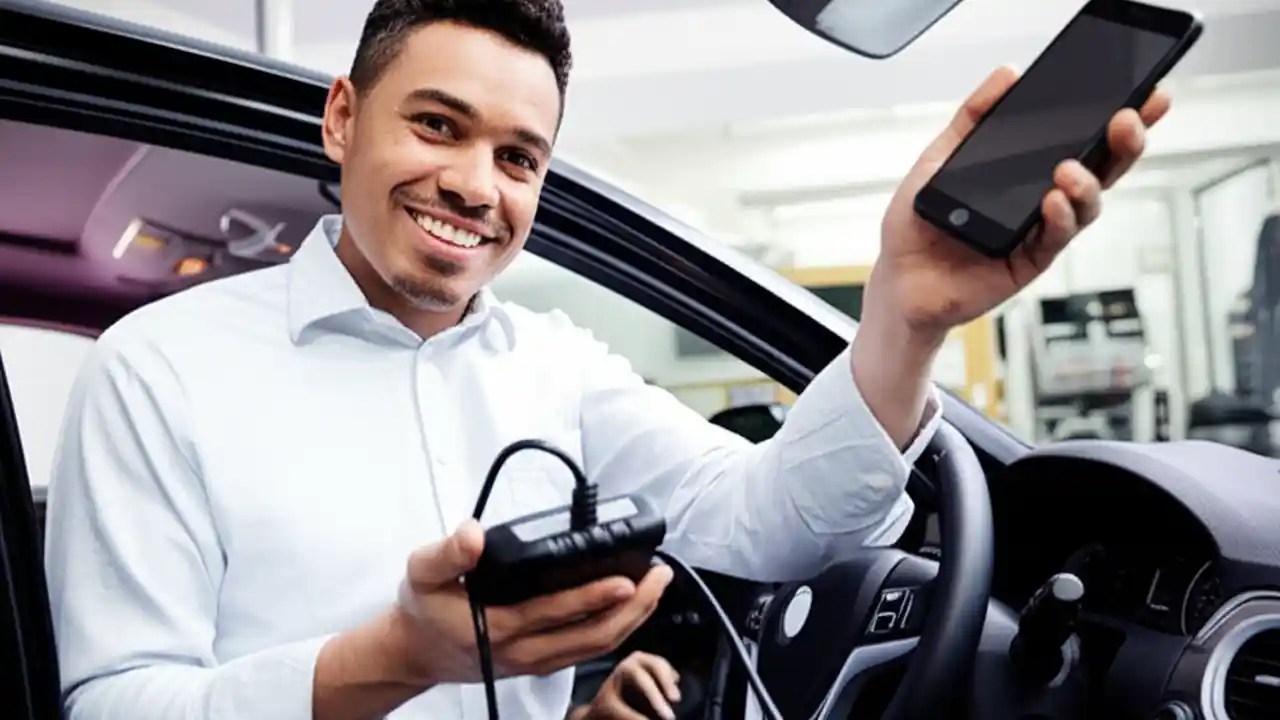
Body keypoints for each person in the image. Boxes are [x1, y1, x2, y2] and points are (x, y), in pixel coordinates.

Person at [40, 1, 1169, 719]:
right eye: (435, 126)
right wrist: (398, 657)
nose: (478, 186)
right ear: (342, 118)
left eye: (519, 156)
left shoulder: (550, 363)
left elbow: (771, 518)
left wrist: (904, 316)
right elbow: (119, 705)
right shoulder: (158, 370)